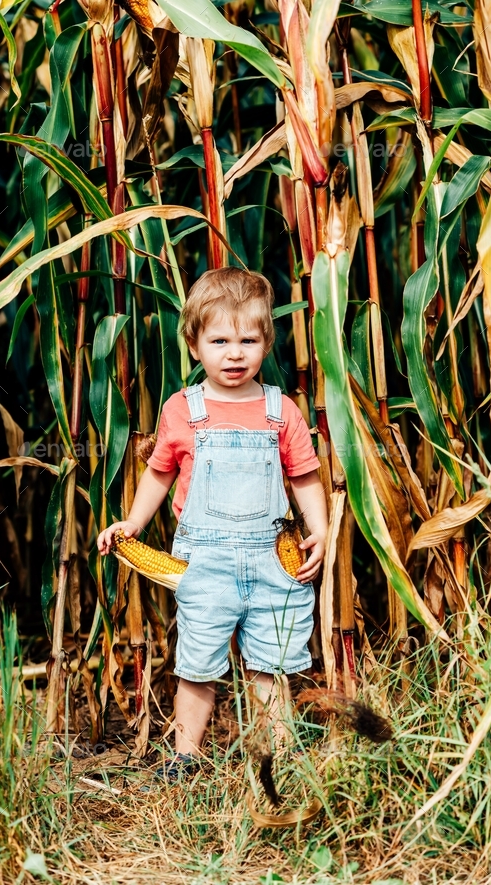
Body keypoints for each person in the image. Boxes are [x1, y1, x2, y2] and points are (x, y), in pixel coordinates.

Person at [98, 267, 328, 778]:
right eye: (220, 340)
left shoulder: (281, 411)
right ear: (194, 344)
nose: (235, 353)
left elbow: (306, 477)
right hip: (205, 566)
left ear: (266, 343)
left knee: (270, 669)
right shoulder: (183, 410)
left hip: (275, 564)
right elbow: (159, 474)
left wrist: (321, 530)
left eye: (248, 339)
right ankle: (184, 757)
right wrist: (132, 523)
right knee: (196, 668)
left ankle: (281, 758)